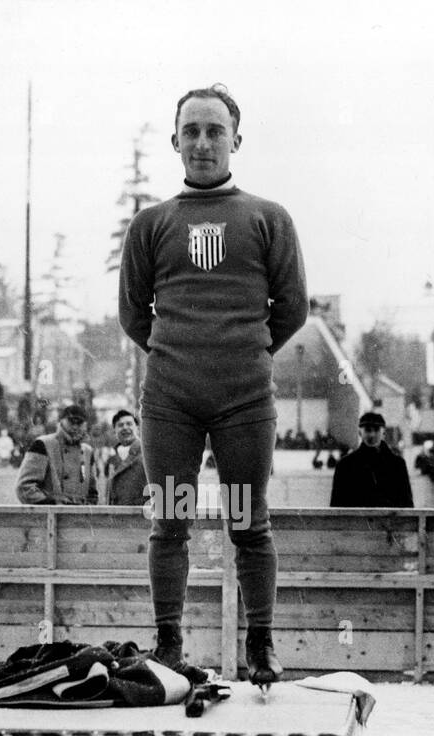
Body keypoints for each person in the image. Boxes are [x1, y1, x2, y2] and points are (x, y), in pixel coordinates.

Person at [119, 84, 308, 685]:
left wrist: (242, 353)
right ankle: (169, 643)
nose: (203, 143)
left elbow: (293, 308)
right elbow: (132, 314)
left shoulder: (267, 218)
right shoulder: (151, 224)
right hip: (171, 403)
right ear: (175, 141)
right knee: (170, 522)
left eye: (215, 131)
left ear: (236, 140)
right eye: (192, 132)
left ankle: (261, 645)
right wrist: (179, 358)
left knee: (248, 522)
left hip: (244, 403)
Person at [15, 403, 98, 504]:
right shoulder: (43, 445)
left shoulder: (87, 452)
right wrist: (52, 503)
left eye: (79, 423)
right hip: (50, 516)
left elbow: (92, 493)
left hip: (80, 517)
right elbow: (24, 487)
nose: (75, 427)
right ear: (61, 421)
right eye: (71, 422)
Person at [329, 411, 414, 507]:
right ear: (360, 433)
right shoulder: (345, 465)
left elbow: (407, 505)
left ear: (383, 433)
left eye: (376, 430)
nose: (372, 434)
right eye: (368, 430)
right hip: (356, 521)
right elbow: (336, 507)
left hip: (390, 521)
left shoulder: (397, 465)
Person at [103, 409, 149, 506]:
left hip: (140, 513)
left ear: (137, 428)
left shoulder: (147, 452)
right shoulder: (111, 459)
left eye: (129, 424)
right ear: (114, 430)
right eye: (120, 425)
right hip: (115, 514)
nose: (125, 428)